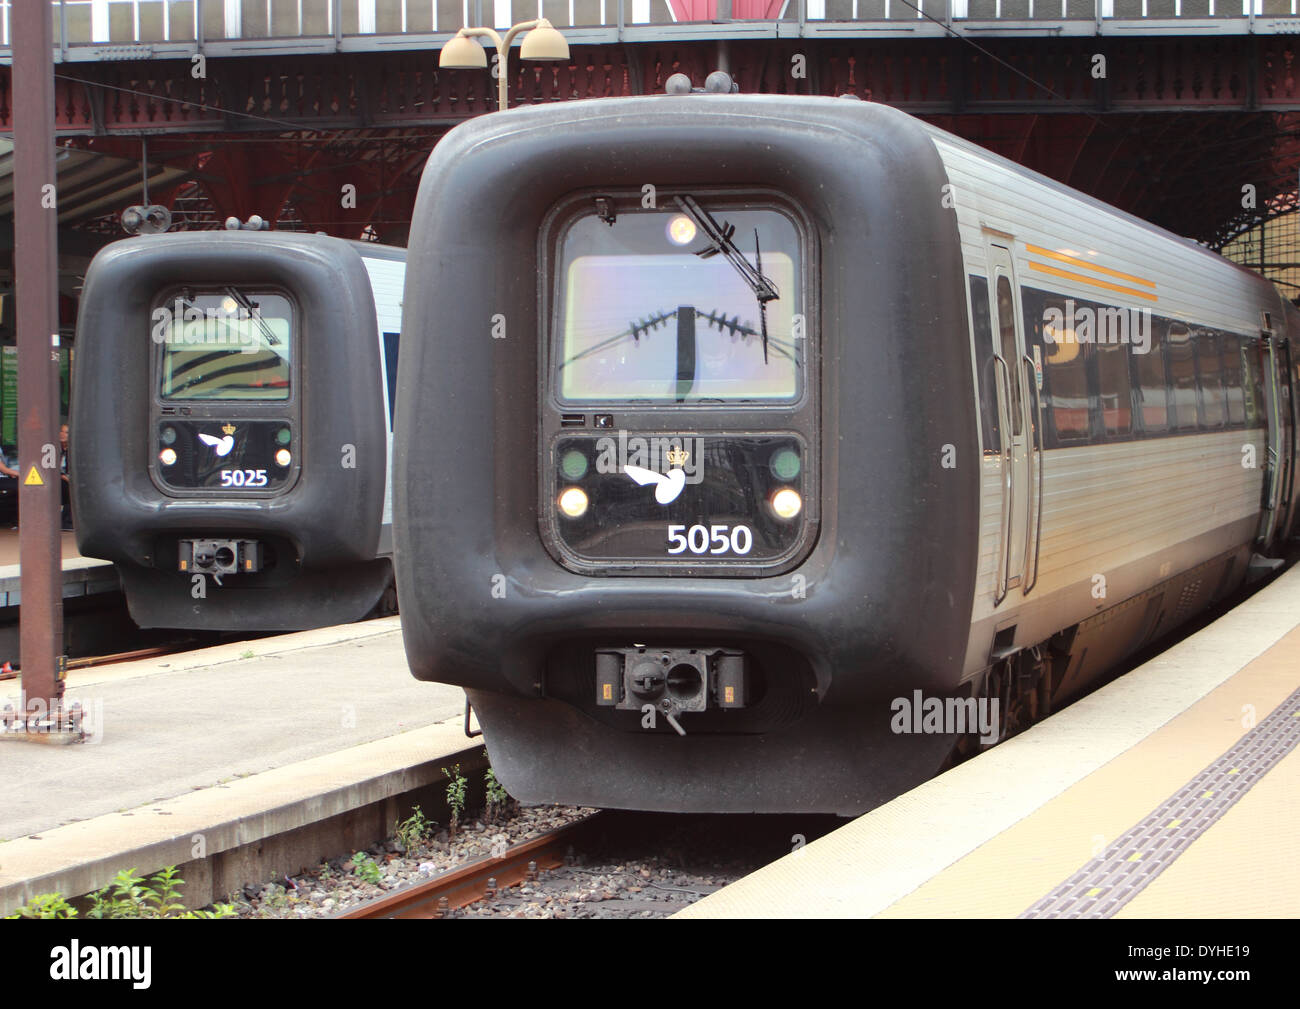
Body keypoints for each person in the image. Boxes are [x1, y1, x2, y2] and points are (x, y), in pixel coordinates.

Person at [59, 422, 72, 531]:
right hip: (61, 480)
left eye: (66, 432)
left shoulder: (72, 451)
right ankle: (65, 521)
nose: (62, 434)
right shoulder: (55, 449)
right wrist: (65, 478)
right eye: (61, 431)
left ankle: (67, 521)